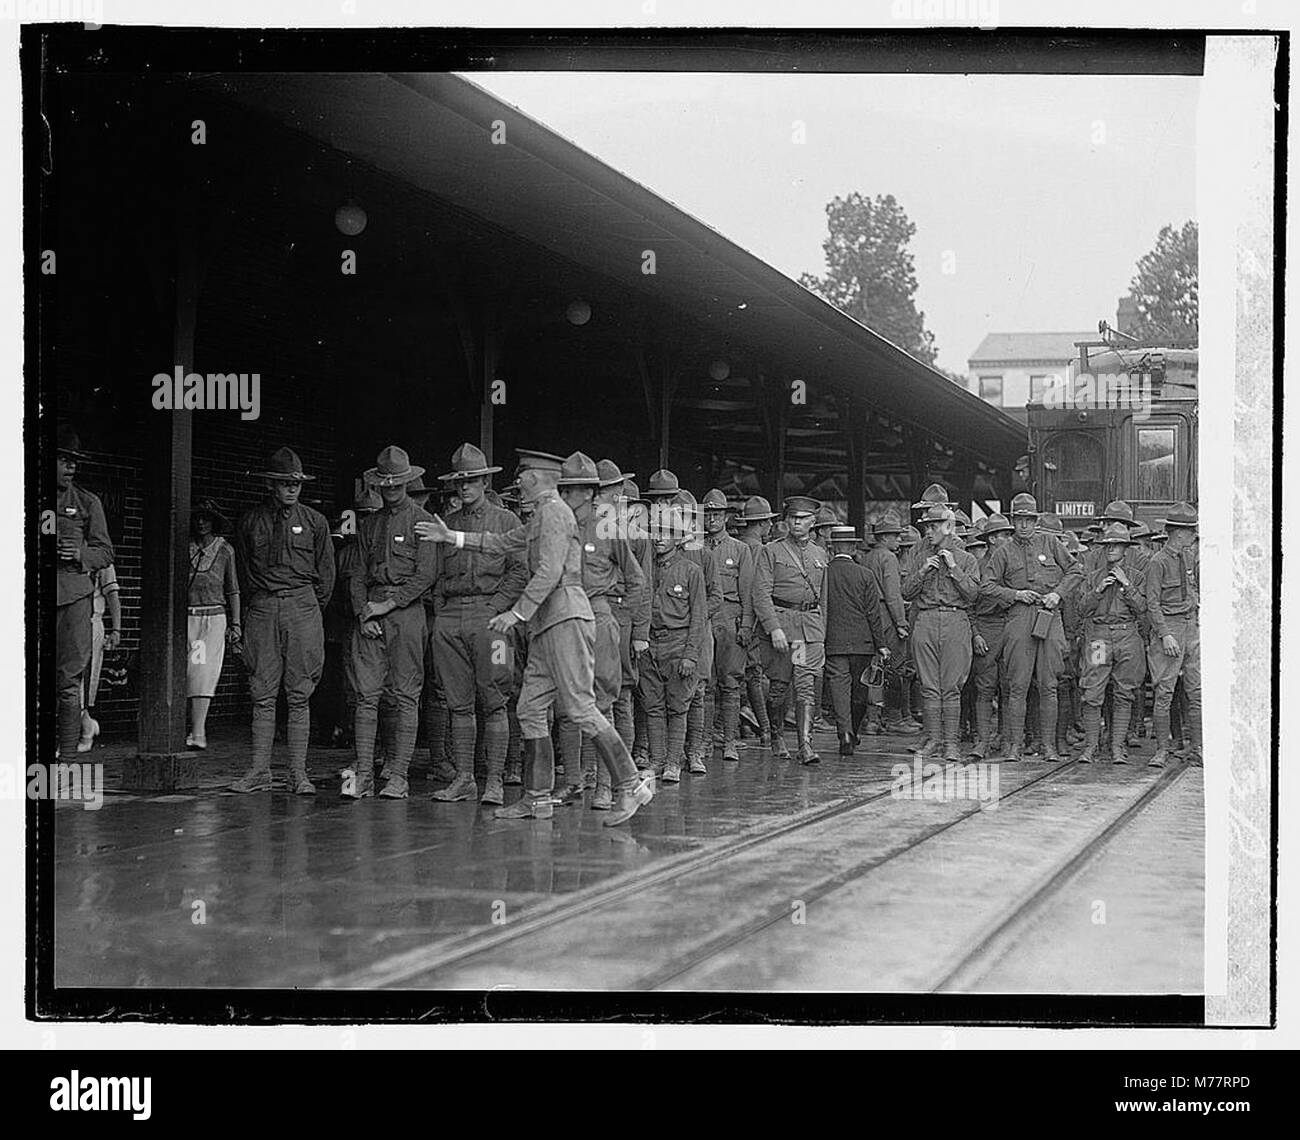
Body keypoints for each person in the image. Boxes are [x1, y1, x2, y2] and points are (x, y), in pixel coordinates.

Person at [417, 449, 653, 825]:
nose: (519, 483)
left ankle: (630, 786)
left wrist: (517, 612)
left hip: (564, 618)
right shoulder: (545, 513)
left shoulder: (555, 512)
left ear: (542, 478)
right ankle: (537, 798)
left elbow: (549, 569)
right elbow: (504, 541)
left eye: (524, 475)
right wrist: (453, 537)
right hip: (547, 623)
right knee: (529, 708)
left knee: (580, 707)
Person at [231, 447, 336, 794]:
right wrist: (260, 604)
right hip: (263, 607)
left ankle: (298, 773)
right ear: (269, 484)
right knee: (262, 690)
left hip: (302, 606)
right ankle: (260, 770)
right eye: (284, 483)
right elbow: (244, 573)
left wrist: (306, 607)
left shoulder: (315, 522)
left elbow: (326, 574)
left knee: (299, 692)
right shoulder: (250, 521)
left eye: (296, 483)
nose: (292, 489)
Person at [429, 443, 527, 806]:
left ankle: (495, 781)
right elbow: (435, 574)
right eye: (460, 481)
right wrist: (441, 613)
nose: (465, 487)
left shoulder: (506, 521)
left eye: (472, 480)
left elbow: (520, 571)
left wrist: (496, 609)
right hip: (451, 619)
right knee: (457, 703)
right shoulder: (448, 526)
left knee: (496, 699)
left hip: (492, 622)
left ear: (485, 481)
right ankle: (465, 778)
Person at [341, 446, 438, 800]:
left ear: (407, 482)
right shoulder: (369, 525)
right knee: (366, 696)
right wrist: (363, 612)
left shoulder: (421, 522)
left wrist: (387, 605)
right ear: (379, 486)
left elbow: (425, 574)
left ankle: (398, 775)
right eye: (386, 483)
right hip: (371, 613)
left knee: (404, 696)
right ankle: (364, 774)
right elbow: (356, 574)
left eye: (398, 482)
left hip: (406, 613)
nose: (392, 488)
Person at [554, 452, 646, 810]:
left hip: (600, 617)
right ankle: (575, 781)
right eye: (567, 489)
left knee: (603, 705)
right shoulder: (555, 525)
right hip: (563, 620)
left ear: (592, 492)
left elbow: (636, 580)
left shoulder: (609, 527)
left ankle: (607, 787)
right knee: (568, 707)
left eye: (580, 490)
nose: (573, 496)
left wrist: (618, 620)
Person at [978, 493, 1083, 762]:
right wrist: (1015, 595)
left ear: (1035, 521)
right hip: (1019, 618)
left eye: (1029, 520)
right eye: (1020, 520)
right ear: (1013, 521)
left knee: (1049, 684)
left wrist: (1057, 594)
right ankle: (1014, 746)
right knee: (1018, 685)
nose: (1024, 525)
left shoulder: (1051, 542)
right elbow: (986, 586)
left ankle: (1048, 746)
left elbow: (1076, 571)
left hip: (1049, 617)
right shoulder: (1003, 552)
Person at [54, 427, 115, 760]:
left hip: (75, 596)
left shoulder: (87, 502)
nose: (71, 467)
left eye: (74, 462)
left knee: (67, 681)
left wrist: (80, 554)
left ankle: (65, 757)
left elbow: (106, 551)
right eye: (64, 460)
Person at [753, 495, 828, 764]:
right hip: (782, 626)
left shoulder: (820, 554)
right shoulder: (771, 551)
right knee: (780, 687)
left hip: (808, 629)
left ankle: (805, 745)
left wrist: (822, 632)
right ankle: (776, 735)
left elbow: (823, 597)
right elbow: (761, 594)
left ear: (813, 522)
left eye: (803, 519)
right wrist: (773, 628)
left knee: (806, 683)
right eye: (793, 518)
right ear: (786, 521)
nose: (797, 523)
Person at [901, 505, 980, 761]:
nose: (928, 531)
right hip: (925, 619)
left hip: (955, 620)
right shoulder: (920, 555)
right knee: (929, 685)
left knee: (951, 687)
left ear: (948, 527)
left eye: (933, 526)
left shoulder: (966, 559)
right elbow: (905, 592)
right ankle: (934, 740)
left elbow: (973, 594)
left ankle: (951, 744)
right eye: (927, 526)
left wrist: (954, 568)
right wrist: (923, 571)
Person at [639, 499, 708, 785]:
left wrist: (691, 655)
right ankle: (657, 760)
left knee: (678, 707)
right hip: (650, 644)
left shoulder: (691, 571)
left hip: (678, 644)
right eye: (656, 532)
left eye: (666, 533)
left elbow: (699, 617)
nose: (659, 538)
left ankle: (672, 763)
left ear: (678, 539)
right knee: (652, 706)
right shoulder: (647, 568)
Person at [1076, 523, 1148, 765]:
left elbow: (1142, 609)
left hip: (1127, 637)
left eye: (1116, 545)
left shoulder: (1136, 576)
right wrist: (1097, 590)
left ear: (1126, 549)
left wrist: (1127, 585)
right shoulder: (1094, 577)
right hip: (1099, 638)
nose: (1111, 549)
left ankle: (1117, 747)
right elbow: (1081, 609)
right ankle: (1090, 747)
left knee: (1124, 693)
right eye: (1108, 545)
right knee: (1092, 692)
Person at [1145, 503, 1201, 768]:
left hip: (1190, 627)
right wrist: (1165, 635)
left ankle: (1198, 749)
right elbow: (1152, 604)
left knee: (1196, 691)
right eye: (1191, 532)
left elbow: (1191, 589)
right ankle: (1161, 751)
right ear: (1178, 533)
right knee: (1164, 691)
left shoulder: (1187, 558)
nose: (1193, 536)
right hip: (1170, 628)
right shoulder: (1158, 563)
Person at [823, 525, 888, 755]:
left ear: (832, 548)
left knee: (839, 689)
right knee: (860, 691)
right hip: (863, 643)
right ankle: (855, 731)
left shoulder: (824, 573)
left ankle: (845, 734)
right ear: (852, 547)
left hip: (834, 642)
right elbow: (873, 614)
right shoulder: (865, 574)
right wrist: (880, 644)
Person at [701, 488, 754, 763]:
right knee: (706, 683)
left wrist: (746, 626)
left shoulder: (740, 549)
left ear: (726, 517)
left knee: (731, 683)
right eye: (707, 514)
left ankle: (730, 741)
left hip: (730, 620)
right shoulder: (694, 546)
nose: (712, 519)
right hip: (704, 620)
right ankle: (706, 741)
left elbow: (748, 591)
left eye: (717, 514)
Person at [186, 499, 240, 750]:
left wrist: (236, 624)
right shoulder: (186, 549)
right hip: (188, 616)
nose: (201, 522)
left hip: (212, 617)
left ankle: (198, 731)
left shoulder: (225, 550)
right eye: (197, 517)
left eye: (206, 518)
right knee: (189, 671)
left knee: (202, 671)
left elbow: (233, 590)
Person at [859, 510, 915, 734]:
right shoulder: (888, 558)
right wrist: (901, 622)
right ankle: (894, 719)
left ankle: (872, 720)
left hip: (869, 615)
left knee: (873, 667)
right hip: (887, 616)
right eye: (895, 535)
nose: (899, 540)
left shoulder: (867, 557)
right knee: (894, 667)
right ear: (884, 537)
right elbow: (893, 594)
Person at [968, 513, 1013, 760]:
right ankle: (982, 742)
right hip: (986, 628)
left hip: (1011, 626)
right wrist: (975, 634)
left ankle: (1007, 741)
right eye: (1005, 535)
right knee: (984, 688)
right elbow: (969, 605)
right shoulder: (979, 566)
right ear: (993, 539)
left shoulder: (1013, 564)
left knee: (1010, 687)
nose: (1008, 539)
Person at [735, 496, 777, 744]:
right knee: (753, 673)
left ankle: (753, 727)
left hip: (735, 617)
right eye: (768, 522)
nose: (771, 526)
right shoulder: (759, 550)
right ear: (761, 524)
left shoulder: (737, 545)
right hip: (751, 619)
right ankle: (764, 729)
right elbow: (756, 590)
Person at [78, 563, 121, 752]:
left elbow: (112, 596)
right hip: (67, 621)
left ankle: (84, 733)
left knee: (83, 681)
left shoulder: (101, 561)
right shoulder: (64, 554)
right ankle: (86, 724)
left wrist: (116, 630)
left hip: (90, 622)